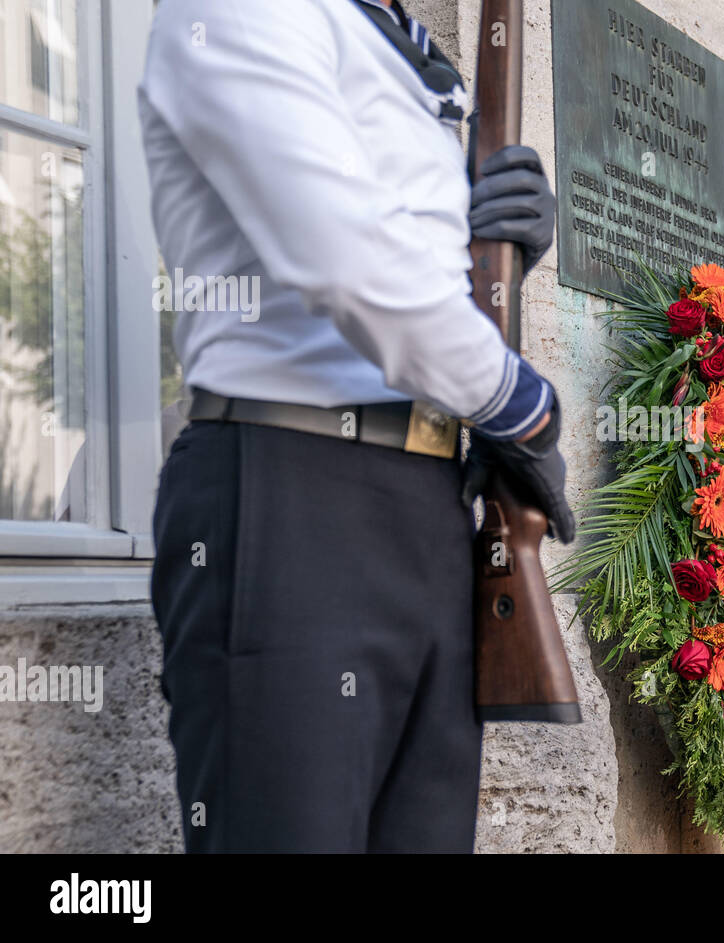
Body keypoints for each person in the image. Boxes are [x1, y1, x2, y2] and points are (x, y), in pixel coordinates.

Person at [140, 0, 573, 852]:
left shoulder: (393, 38)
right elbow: (344, 260)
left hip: (427, 500)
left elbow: (394, 252)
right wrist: (521, 403)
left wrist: (485, 243)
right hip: (293, 483)